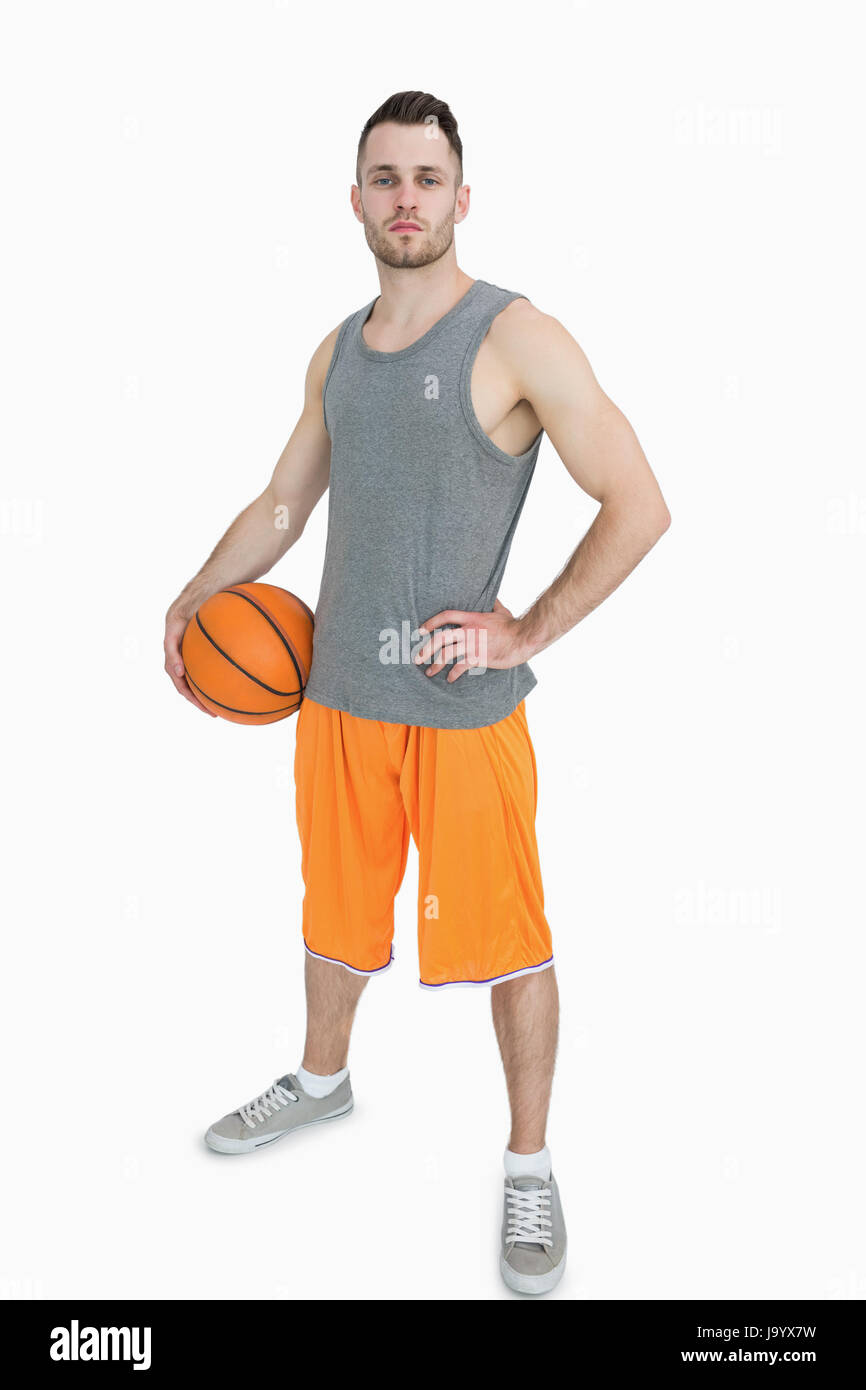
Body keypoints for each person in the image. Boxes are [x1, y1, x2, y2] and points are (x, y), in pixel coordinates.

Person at [163, 90, 670, 1296]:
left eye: (425, 178)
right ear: (354, 201)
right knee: (333, 917)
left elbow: (639, 503)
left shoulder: (515, 335)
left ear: (460, 196)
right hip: (335, 703)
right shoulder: (336, 350)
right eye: (383, 178)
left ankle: (528, 1164)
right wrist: (192, 595)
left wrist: (523, 629)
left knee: (509, 947)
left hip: (460, 716)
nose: (404, 198)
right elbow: (285, 507)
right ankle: (323, 1080)